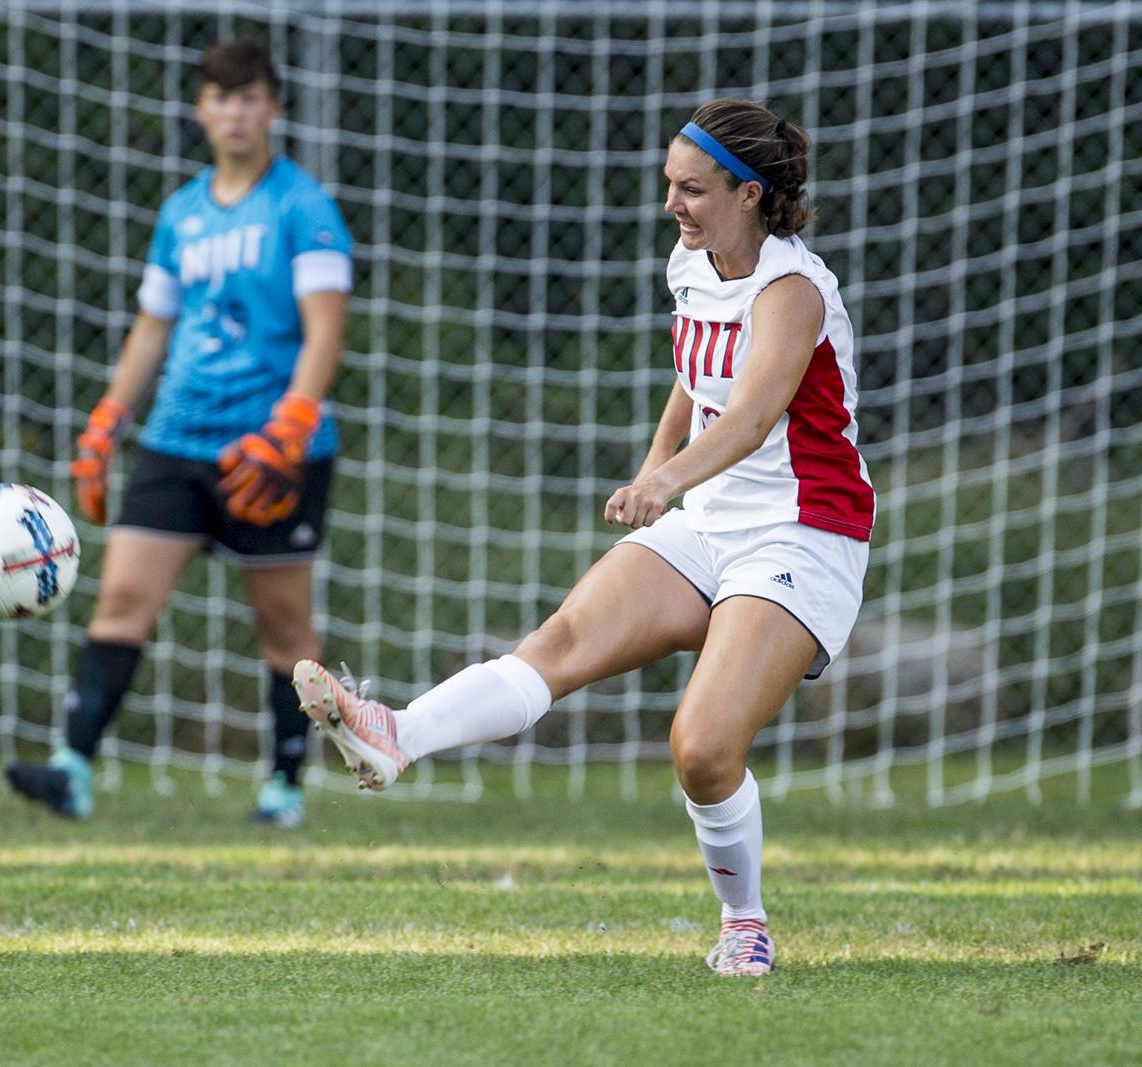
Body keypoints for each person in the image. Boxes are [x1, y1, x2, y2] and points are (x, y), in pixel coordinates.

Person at [293, 98, 874, 975]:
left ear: (750, 194)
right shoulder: (693, 260)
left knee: (704, 747)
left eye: (692, 189)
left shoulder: (793, 290)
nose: (671, 204)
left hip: (803, 532)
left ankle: (744, 921)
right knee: (558, 642)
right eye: (668, 185)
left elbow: (754, 414)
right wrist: (657, 463)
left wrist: (663, 480)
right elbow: (694, 375)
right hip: (709, 519)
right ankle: (393, 733)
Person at [7, 40, 353, 829]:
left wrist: (294, 420)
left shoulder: (303, 208)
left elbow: (326, 329)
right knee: (122, 598)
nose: (235, 113)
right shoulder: (182, 213)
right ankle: (73, 770)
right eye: (221, 98)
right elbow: (152, 329)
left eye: (251, 97)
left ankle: (285, 786)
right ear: (200, 109)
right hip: (175, 439)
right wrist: (107, 423)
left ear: (275, 108)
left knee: (284, 628)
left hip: (270, 448)